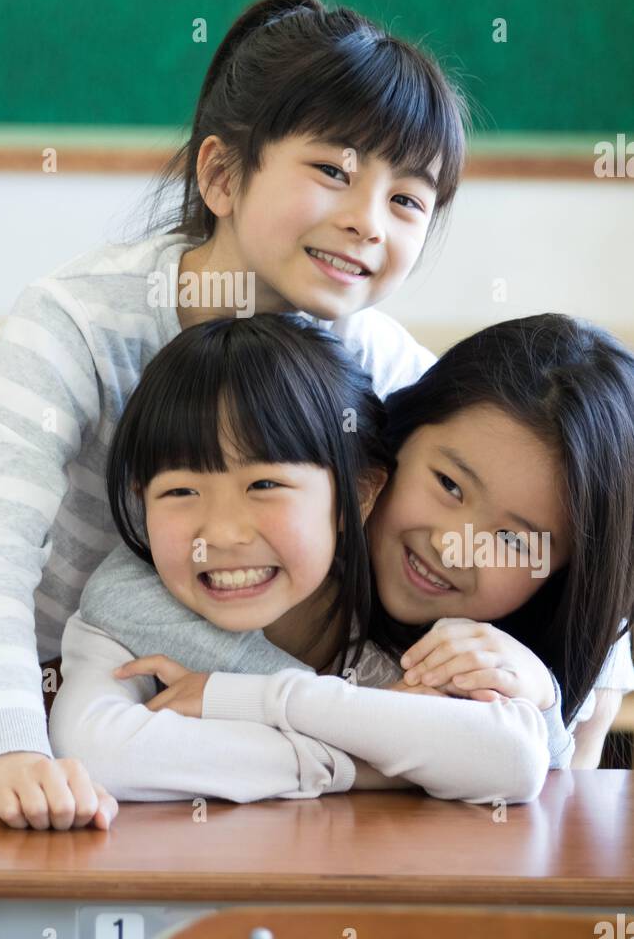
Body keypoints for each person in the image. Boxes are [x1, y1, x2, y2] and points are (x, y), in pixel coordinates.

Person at [0, 0, 470, 939]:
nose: (368, 222)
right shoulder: (80, 324)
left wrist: (578, 692)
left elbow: (538, 489)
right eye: (333, 171)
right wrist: (10, 749)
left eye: (406, 199)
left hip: (105, 744)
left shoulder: (372, 358)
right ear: (222, 176)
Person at [68, 313, 634, 792]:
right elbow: (103, 736)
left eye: (512, 541)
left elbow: (520, 761)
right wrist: (372, 760)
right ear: (388, 451)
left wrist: (545, 698)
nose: (453, 548)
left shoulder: (476, 657)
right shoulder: (188, 575)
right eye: (449, 484)